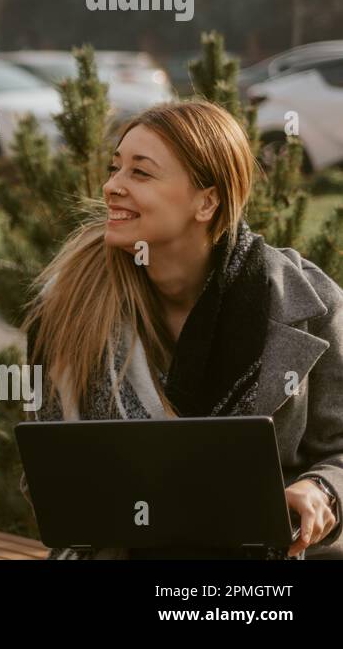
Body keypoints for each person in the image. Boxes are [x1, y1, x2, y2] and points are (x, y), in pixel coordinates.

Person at [23, 99, 343, 559]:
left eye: (141, 172)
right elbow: (45, 474)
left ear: (207, 201)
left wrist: (320, 489)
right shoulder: (66, 306)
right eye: (115, 168)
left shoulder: (307, 301)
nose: (112, 186)